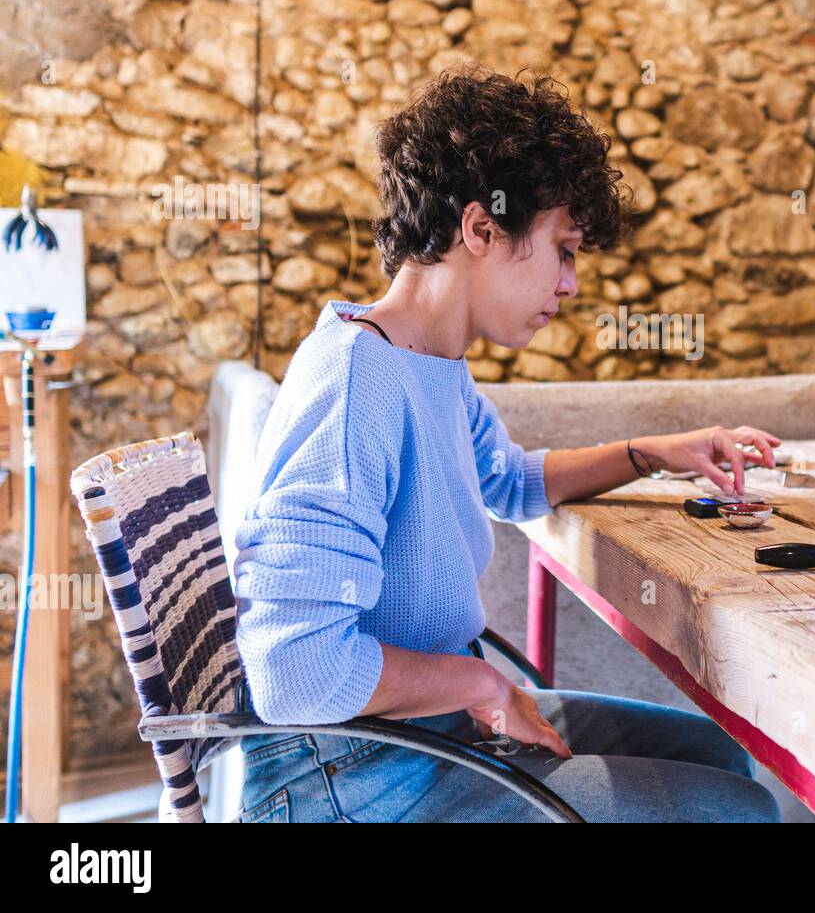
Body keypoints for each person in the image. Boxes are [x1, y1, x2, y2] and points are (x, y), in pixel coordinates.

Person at [232, 63, 783, 823]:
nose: (571, 284)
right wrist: (484, 686)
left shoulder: (427, 362)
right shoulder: (356, 383)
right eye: (564, 249)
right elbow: (295, 673)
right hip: (351, 774)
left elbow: (508, 481)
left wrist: (653, 453)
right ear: (481, 229)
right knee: (734, 811)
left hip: (412, 729)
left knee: (718, 753)